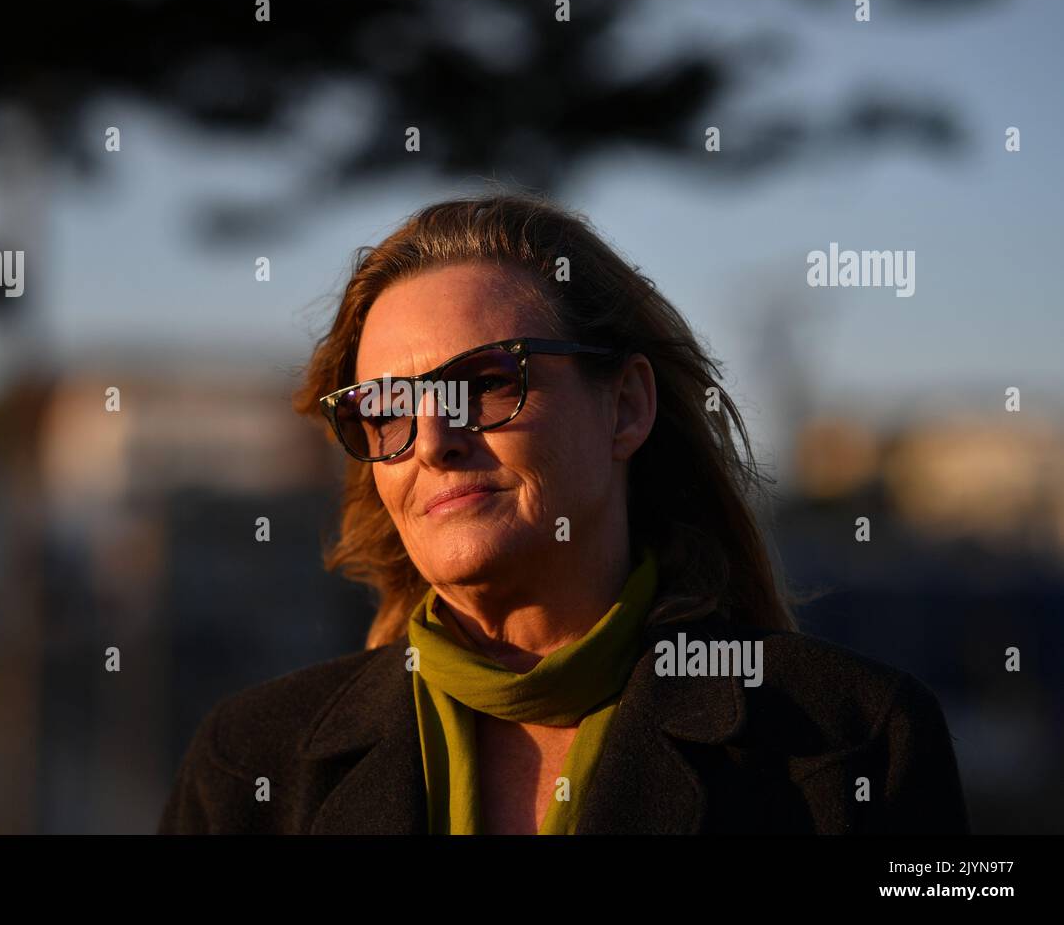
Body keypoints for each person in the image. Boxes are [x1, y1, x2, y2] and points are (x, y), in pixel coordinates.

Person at [158, 192, 970, 835]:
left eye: (483, 384)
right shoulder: (249, 764)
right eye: (385, 408)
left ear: (626, 407)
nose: (433, 442)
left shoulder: (851, 740)